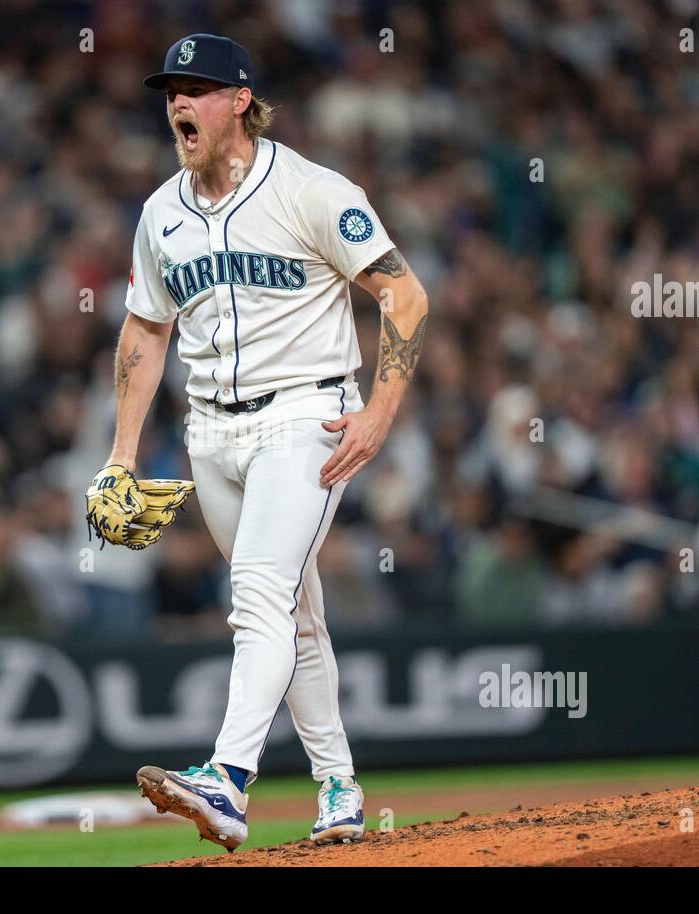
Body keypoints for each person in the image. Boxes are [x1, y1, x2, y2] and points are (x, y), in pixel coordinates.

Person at [105, 34, 428, 851]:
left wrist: (381, 412)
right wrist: (119, 456)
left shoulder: (314, 190)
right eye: (171, 90)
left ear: (240, 100)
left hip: (305, 419)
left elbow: (405, 295)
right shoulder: (160, 214)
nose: (178, 102)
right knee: (295, 612)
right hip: (210, 430)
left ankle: (228, 781)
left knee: (256, 593)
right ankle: (339, 788)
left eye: (198, 88)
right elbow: (144, 334)